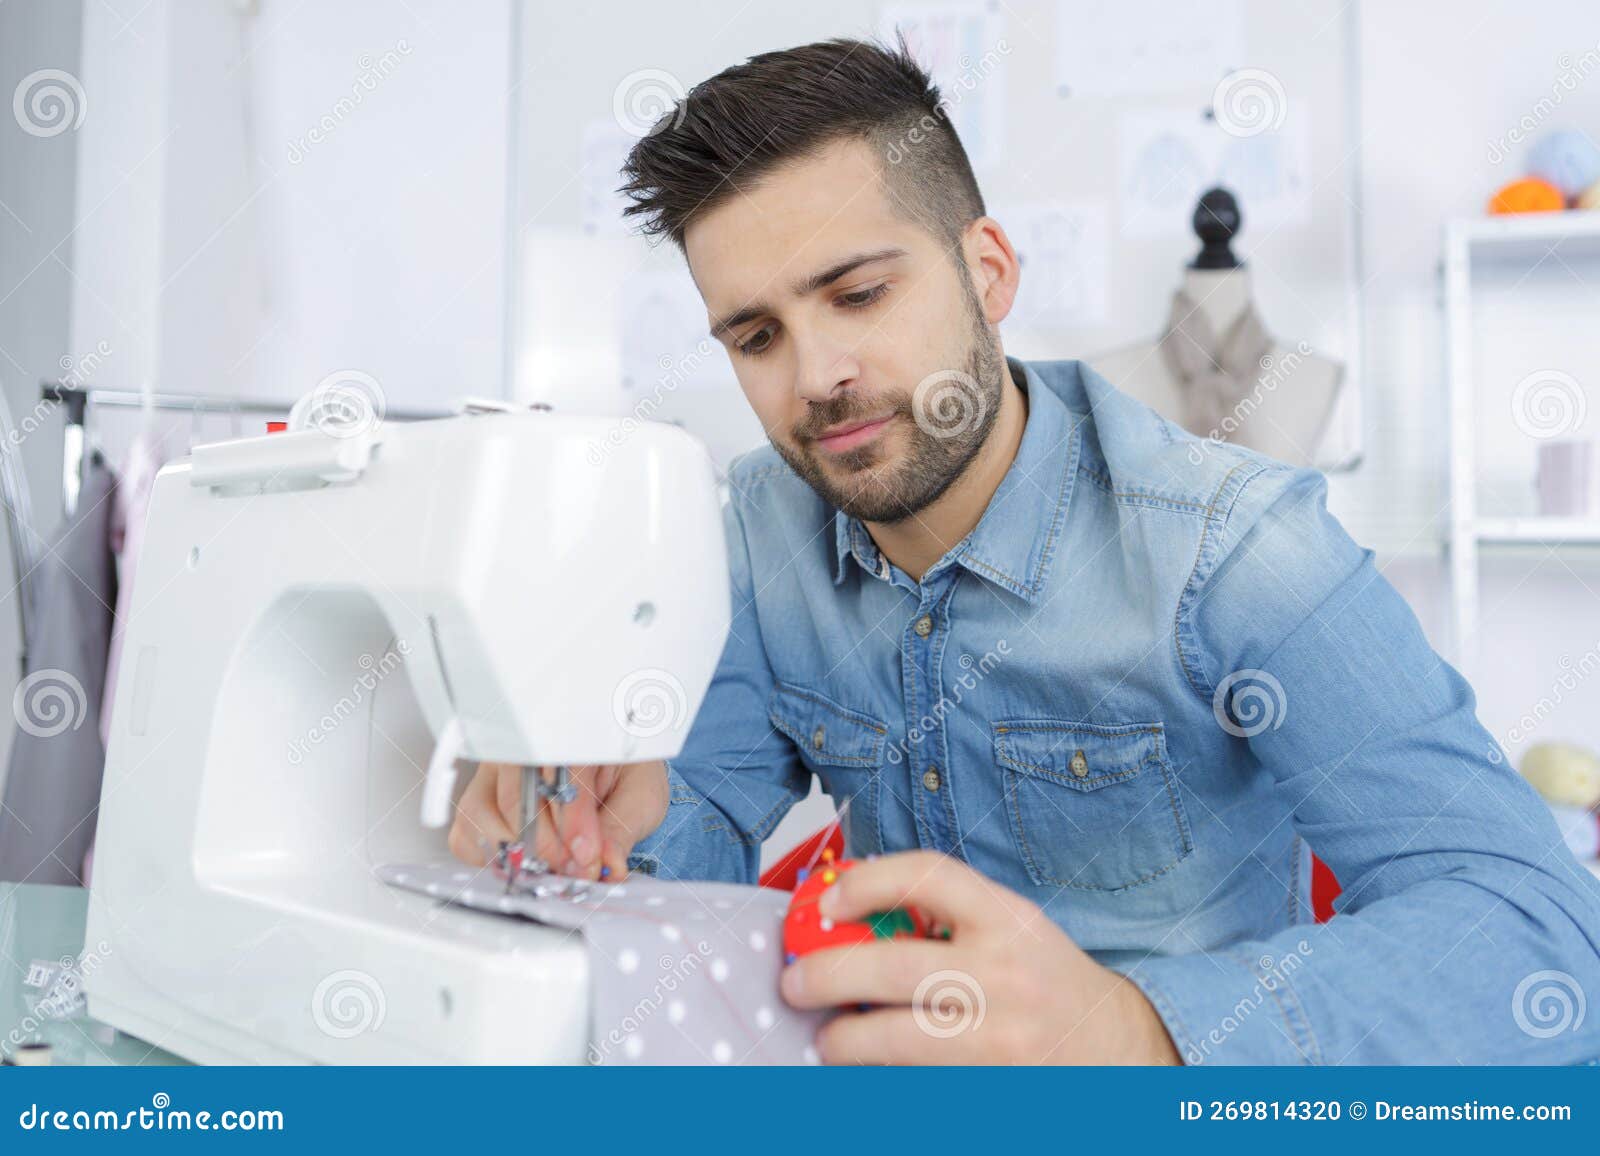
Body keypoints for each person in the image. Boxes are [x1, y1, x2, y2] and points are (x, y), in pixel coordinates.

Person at [451, 36, 1600, 1065]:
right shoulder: (758, 532)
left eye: (856, 294)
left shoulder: (1240, 548)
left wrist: (1130, 1031)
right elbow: (694, 821)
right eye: (755, 335)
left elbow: (1538, 937)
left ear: (988, 272)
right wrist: (602, 826)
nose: (812, 378)